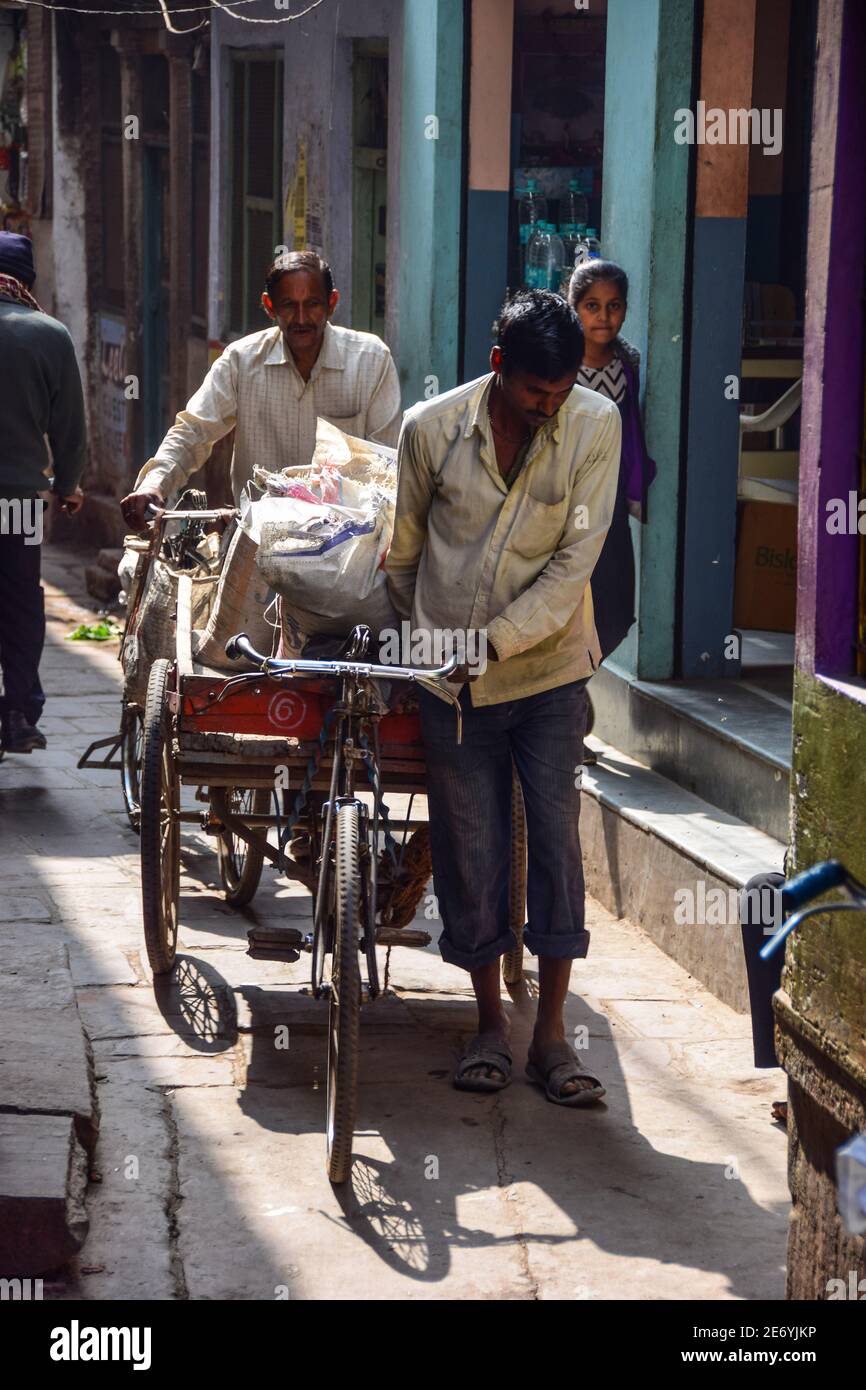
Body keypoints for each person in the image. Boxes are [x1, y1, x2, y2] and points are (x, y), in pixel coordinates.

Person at [386, 290, 621, 1103]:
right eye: (533, 394)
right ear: (498, 369)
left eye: (560, 393)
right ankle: (487, 1023)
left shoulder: (595, 426)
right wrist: (434, 646)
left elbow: (573, 566)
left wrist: (494, 641)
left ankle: (551, 1036)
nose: (549, 408)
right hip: (450, 685)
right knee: (470, 847)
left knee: (555, 844)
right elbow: (403, 554)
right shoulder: (430, 431)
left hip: (550, 672)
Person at [120, 250, 401, 529]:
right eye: (289, 305)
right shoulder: (241, 361)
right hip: (258, 537)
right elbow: (194, 430)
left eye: (313, 304)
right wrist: (155, 484)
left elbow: (384, 465)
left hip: (344, 541)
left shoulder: (371, 361)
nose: (301, 318)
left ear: (332, 303)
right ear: (269, 306)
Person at [0, 232, 86, 757]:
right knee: (21, 601)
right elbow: (69, 426)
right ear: (27, 281)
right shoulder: (50, 335)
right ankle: (18, 712)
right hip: (21, 502)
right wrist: (69, 485)